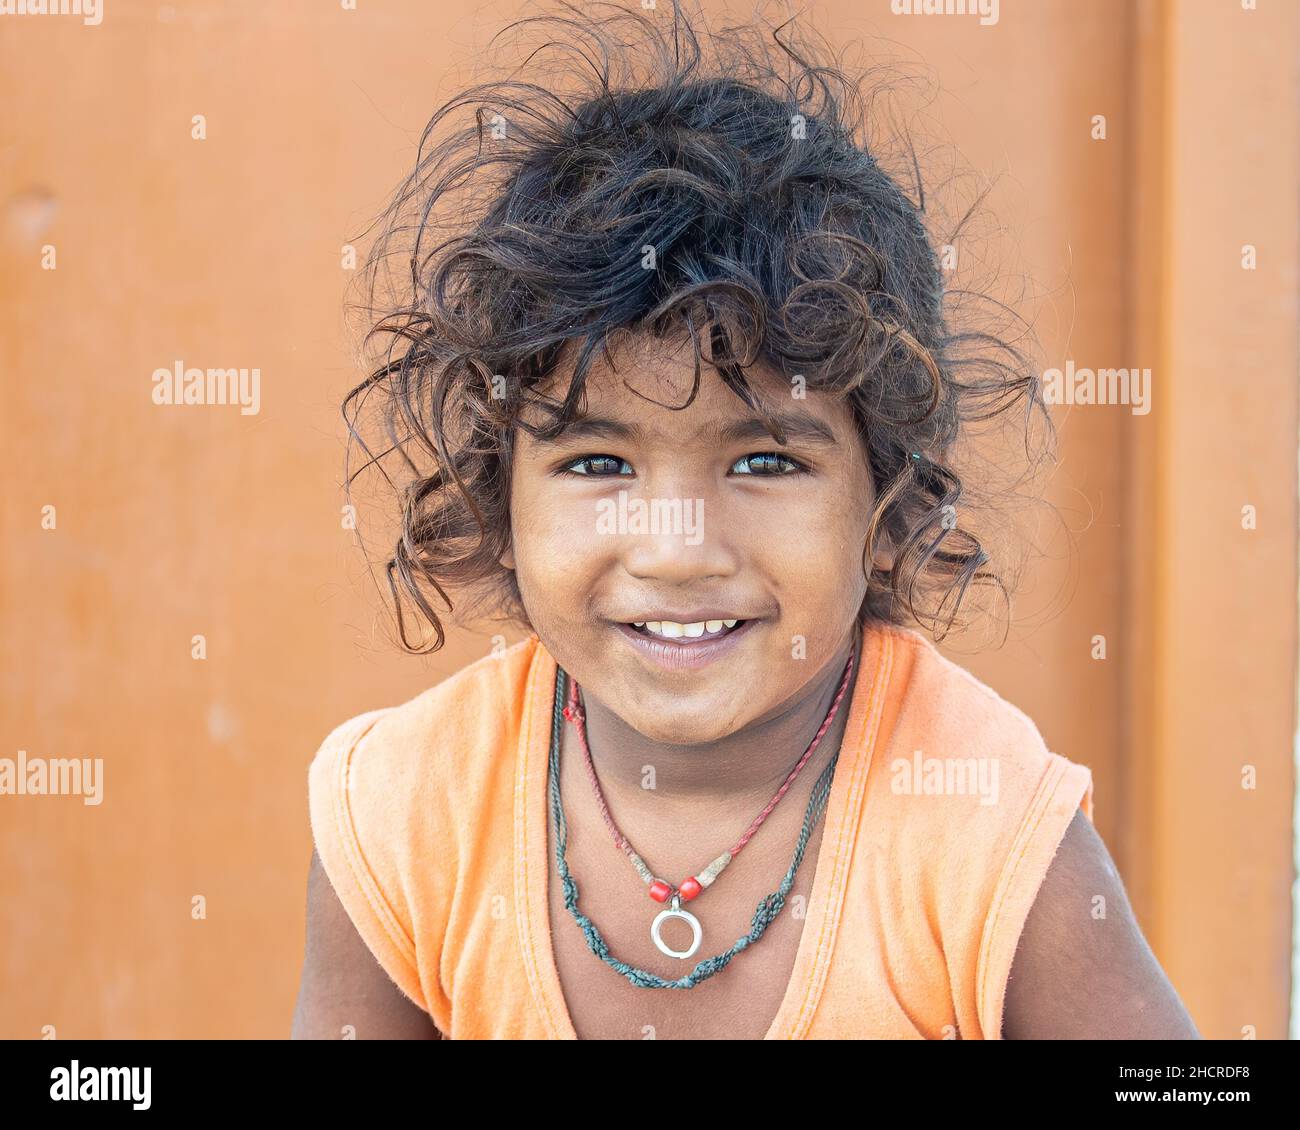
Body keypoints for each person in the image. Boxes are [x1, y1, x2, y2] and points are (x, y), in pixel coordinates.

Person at [291, 0, 1199, 1040]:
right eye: (597, 461)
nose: (676, 549)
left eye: (764, 459)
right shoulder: (405, 813)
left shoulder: (985, 832)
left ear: (893, 504)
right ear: (500, 497)